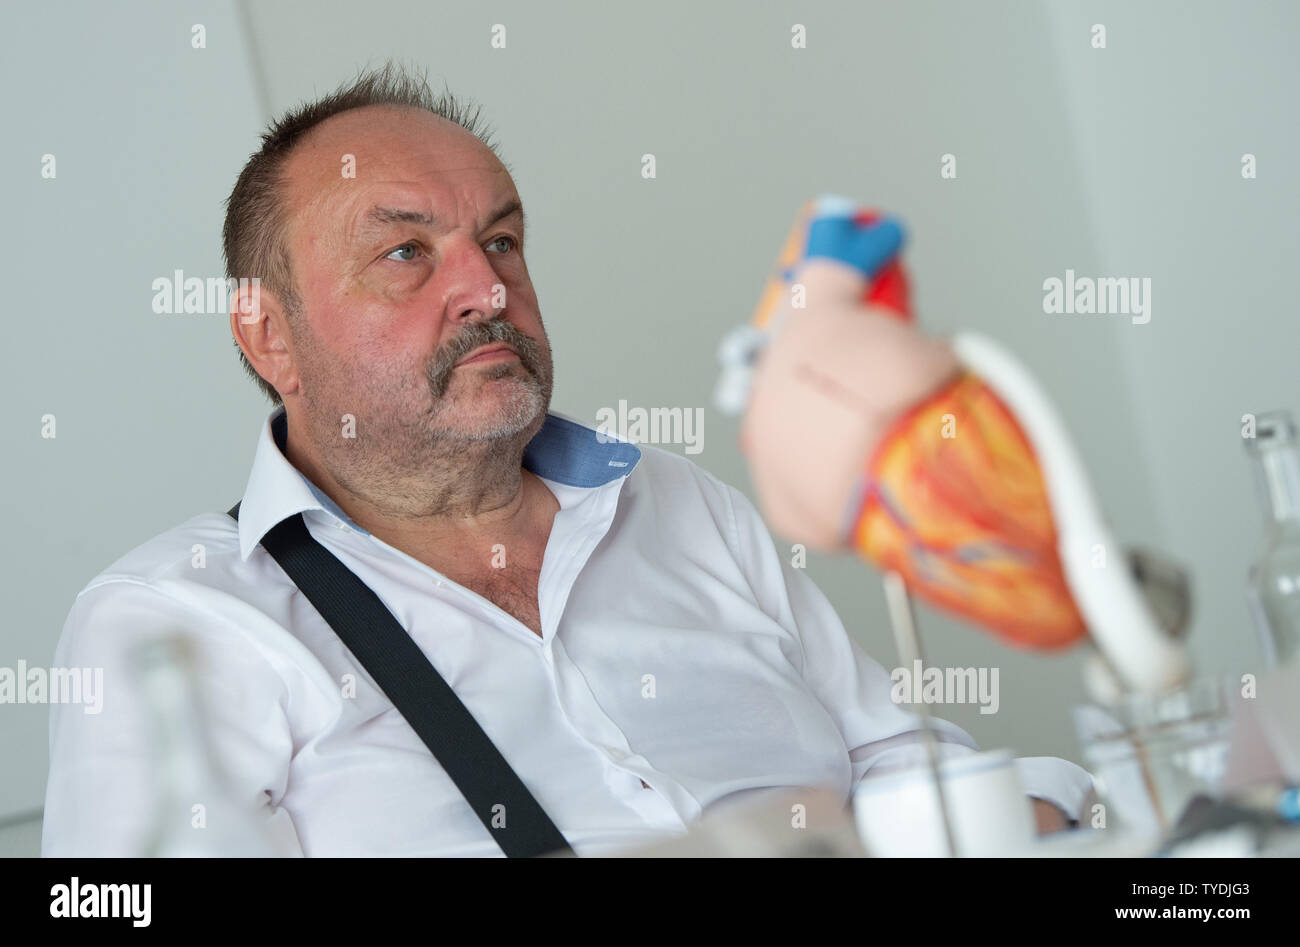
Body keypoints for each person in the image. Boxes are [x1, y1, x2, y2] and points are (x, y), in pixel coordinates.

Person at [42, 63, 1092, 857]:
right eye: (406, 252)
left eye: (501, 241)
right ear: (269, 336)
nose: (488, 289)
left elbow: (890, 761)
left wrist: (1060, 804)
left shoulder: (679, 502)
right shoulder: (173, 621)